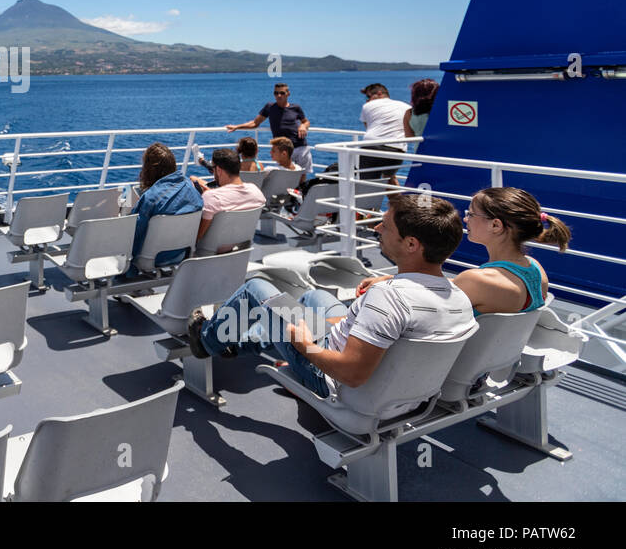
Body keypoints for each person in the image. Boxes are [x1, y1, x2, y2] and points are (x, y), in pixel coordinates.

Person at [185, 194, 475, 397]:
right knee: (313, 298)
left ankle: (207, 341)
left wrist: (305, 346)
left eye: (385, 226)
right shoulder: (458, 296)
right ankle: (241, 344)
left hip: (330, 377)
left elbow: (352, 375)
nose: (376, 229)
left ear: (411, 244)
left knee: (257, 289)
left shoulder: (388, 300)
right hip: (389, 376)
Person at [359, 187, 570, 315]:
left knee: (325, 304)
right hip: (489, 366)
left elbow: (415, 304)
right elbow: (456, 285)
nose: (466, 219)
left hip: (449, 373)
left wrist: (385, 287)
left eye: (472, 214)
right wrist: (388, 278)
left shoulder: (477, 280)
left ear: (496, 226)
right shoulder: (535, 269)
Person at [129, 143, 203, 271]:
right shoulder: (193, 190)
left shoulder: (151, 198)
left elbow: (133, 234)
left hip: (150, 259)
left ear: (149, 169)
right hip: (180, 256)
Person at [225, 83, 312, 173]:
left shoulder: (296, 108)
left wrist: (303, 125)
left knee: (301, 176)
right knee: (282, 176)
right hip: (281, 150)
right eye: (276, 93)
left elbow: (306, 121)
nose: (279, 95)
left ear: (288, 94)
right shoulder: (270, 107)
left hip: (300, 146)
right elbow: (255, 123)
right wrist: (237, 127)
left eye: (282, 93)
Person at [192, 149, 265, 241]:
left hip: (210, 251)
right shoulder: (256, 192)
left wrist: (208, 196)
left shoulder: (211, 197)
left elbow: (198, 236)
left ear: (218, 170)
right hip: (242, 248)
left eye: (213, 168)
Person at [358, 83, 411, 191]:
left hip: (372, 147)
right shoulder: (406, 106)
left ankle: (369, 207)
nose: (367, 100)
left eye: (368, 96)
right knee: (389, 179)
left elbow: (368, 126)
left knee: (367, 186)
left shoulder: (367, 106)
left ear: (379, 93)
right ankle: (398, 206)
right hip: (396, 149)